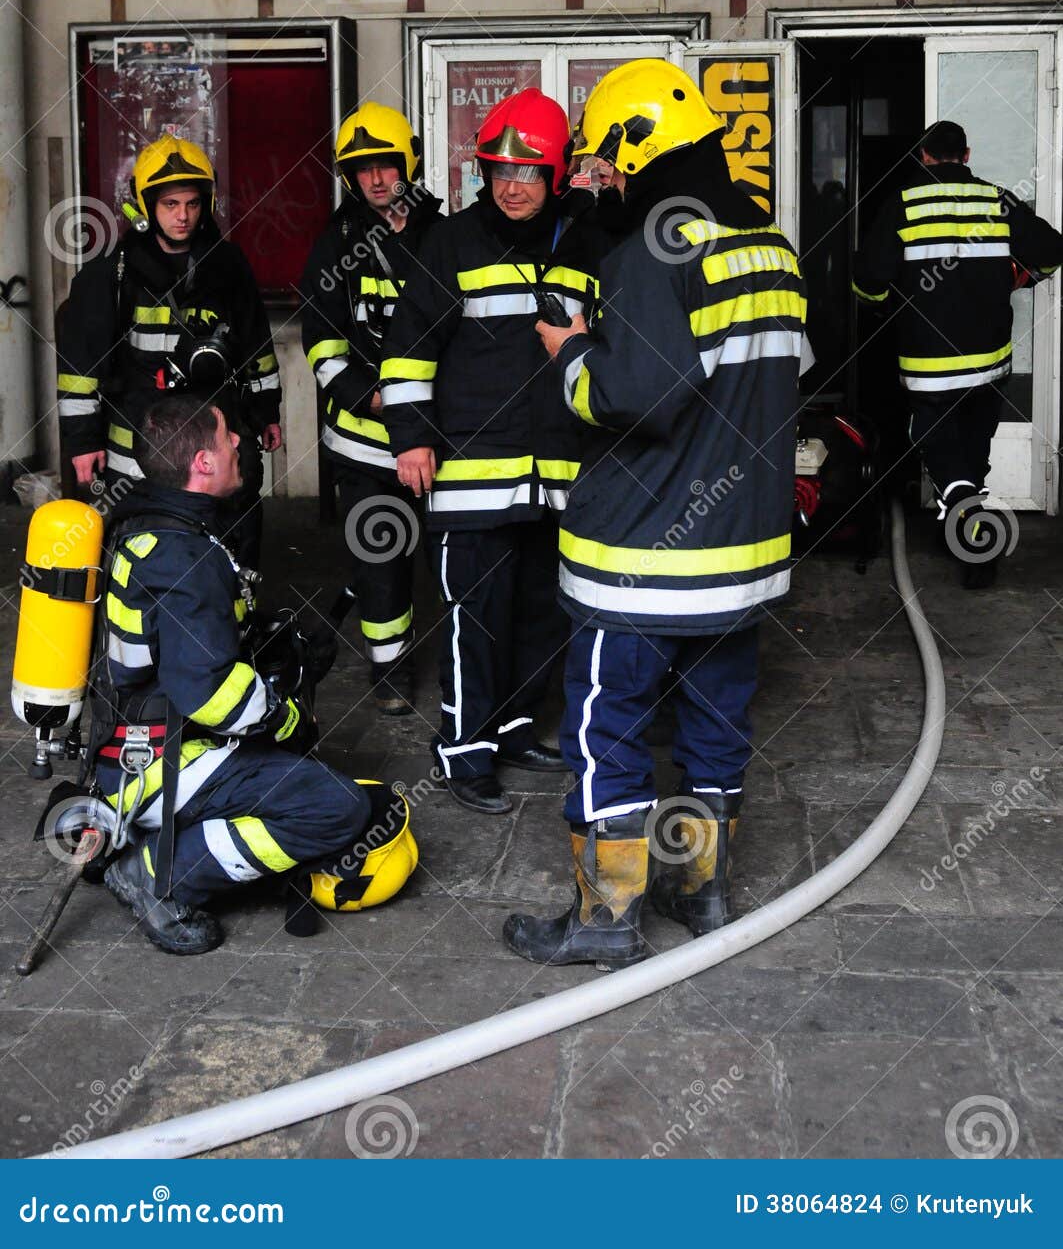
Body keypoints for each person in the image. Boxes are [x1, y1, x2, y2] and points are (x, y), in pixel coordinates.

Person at [502, 59, 807, 969]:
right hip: (744, 556)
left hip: (641, 558)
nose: (610, 182)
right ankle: (700, 890)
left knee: (608, 734)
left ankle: (605, 920)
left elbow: (638, 397)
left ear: (638, 148)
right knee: (716, 726)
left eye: (611, 163)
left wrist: (569, 352)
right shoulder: (773, 248)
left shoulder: (653, 252)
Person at [92, 395, 415, 955]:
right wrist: (283, 715)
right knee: (335, 808)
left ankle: (167, 839)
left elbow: (190, 641)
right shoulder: (184, 560)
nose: (238, 441)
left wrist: (278, 643)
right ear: (203, 464)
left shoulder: (153, 522)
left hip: (138, 742)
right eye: (225, 437)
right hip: (162, 760)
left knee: (305, 778)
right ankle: (159, 873)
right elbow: (210, 694)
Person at [381, 89, 606, 814]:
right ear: (482, 172)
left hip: (555, 476)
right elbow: (409, 345)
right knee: (472, 620)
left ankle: (512, 729)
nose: (513, 186)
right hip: (471, 477)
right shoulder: (449, 242)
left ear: (559, 174)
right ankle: (462, 751)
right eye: (501, 171)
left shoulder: (581, 243)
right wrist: (411, 438)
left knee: (542, 614)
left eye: (531, 172)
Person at [852, 119, 1063, 586]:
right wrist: (1021, 276)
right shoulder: (997, 200)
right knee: (972, 446)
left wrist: (890, 307)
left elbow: (867, 284)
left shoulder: (902, 204)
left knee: (942, 451)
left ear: (924, 156)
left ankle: (970, 519)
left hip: (928, 367)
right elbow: (1050, 251)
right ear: (966, 156)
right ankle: (974, 535)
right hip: (989, 361)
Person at [56, 135, 282, 567]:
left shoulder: (228, 266)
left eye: (193, 204)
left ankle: (234, 623)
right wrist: (83, 442)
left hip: (217, 434)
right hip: (138, 451)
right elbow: (79, 371)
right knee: (144, 552)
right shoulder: (111, 278)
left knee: (232, 540)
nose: (183, 216)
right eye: (170, 204)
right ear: (145, 207)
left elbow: (256, 346)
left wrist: (266, 411)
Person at [300, 103, 442, 715]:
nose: (378, 180)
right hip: (365, 442)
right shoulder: (335, 243)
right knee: (381, 557)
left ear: (408, 162)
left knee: (455, 559)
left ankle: (476, 670)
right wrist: (377, 398)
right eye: (363, 171)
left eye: (387, 165)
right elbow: (324, 344)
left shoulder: (446, 233)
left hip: (443, 436)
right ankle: (389, 672)